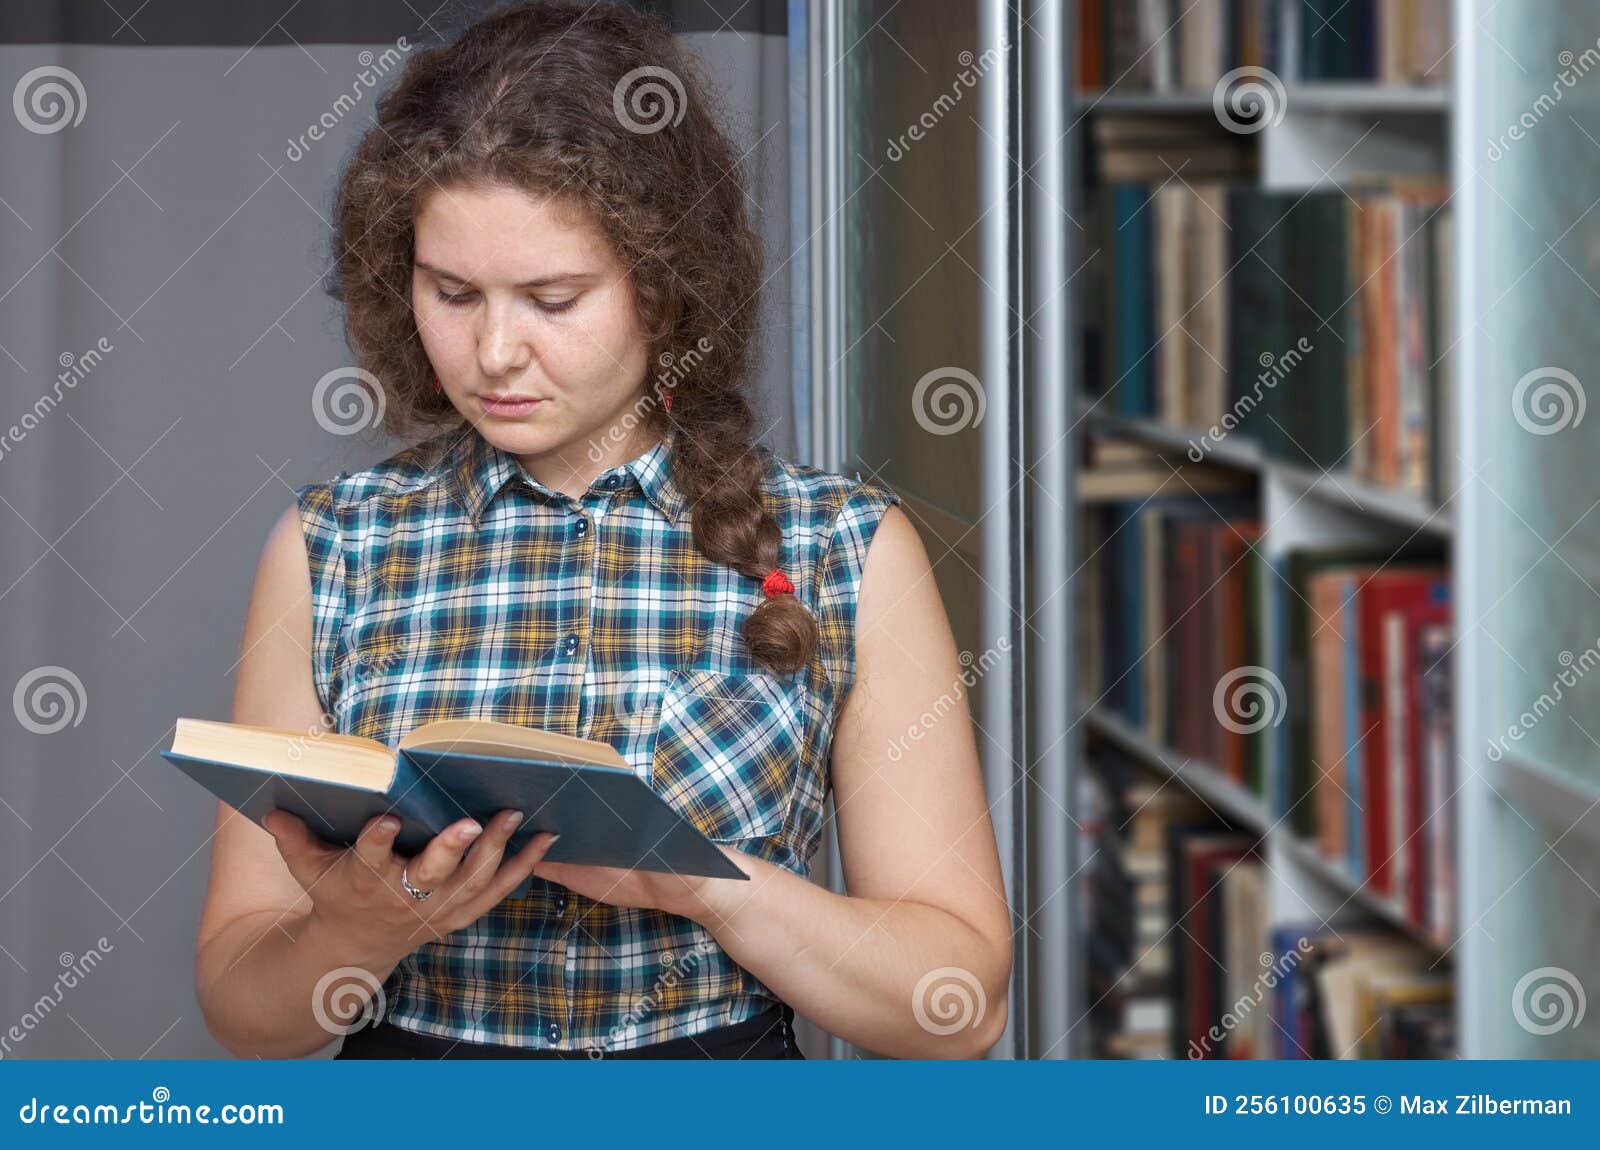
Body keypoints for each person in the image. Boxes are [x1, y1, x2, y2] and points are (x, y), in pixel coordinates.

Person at [193, 0, 1009, 1060]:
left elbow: (957, 1006)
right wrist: (355, 929)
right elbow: (241, 1012)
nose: (493, 351)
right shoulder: (331, 548)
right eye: (451, 293)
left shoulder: (842, 548)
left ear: (665, 290)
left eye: (552, 298)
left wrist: (701, 885)